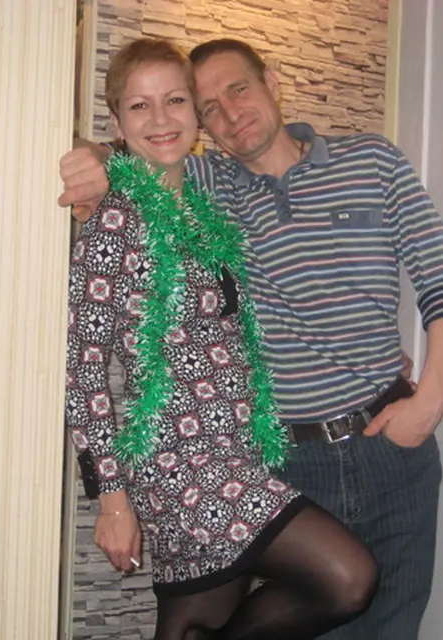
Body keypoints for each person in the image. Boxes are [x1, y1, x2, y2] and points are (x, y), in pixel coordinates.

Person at [59, 37, 443, 640]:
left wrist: (428, 401)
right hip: (238, 459)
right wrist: (92, 159)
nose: (229, 113)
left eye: (235, 89)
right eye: (209, 105)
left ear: (272, 81)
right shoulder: (158, 203)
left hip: (336, 445)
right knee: (344, 582)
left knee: (207, 619)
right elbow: (82, 368)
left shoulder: (224, 197)